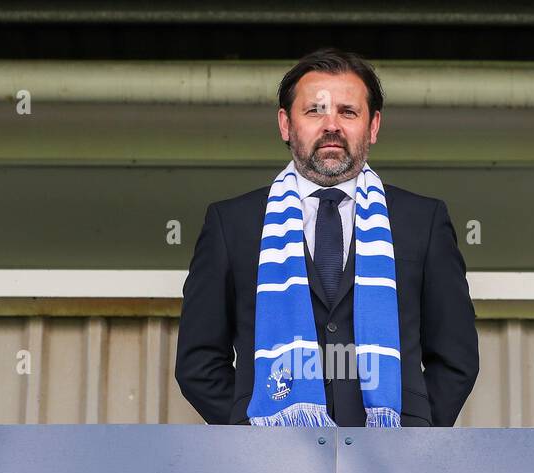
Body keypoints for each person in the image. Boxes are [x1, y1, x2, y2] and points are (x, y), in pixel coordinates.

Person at [176, 47, 479, 427]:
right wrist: (252, 430)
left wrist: (415, 433)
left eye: (348, 112)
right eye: (315, 111)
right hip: (268, 464)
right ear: (286, 125)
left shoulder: (424, 220)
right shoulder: (231, 223)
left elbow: (456, 356)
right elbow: (198, 360)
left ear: (373, 126)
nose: (331, 125)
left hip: (395, 458)